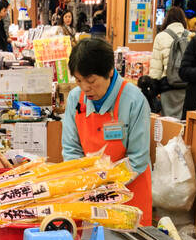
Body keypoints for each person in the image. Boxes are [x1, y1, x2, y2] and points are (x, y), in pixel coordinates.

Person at [62, 36, 152, 223]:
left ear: (110, 71)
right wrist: (85, 182)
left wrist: (106, 184)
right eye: (79, 81)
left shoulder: (134, 100)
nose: (85, 88)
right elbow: (71, 150)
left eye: (91, 80)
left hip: (131, 194)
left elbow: (138, 157)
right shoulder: (75, 98)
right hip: (90, 193)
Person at [149, 5, 190, 120]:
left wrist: (153, 89)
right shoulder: (191, 36)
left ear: (166, 20)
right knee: (183, 123)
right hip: (186, 88)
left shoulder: (160, 37)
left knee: (167, 124)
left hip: (168, 87)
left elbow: (156, 70)